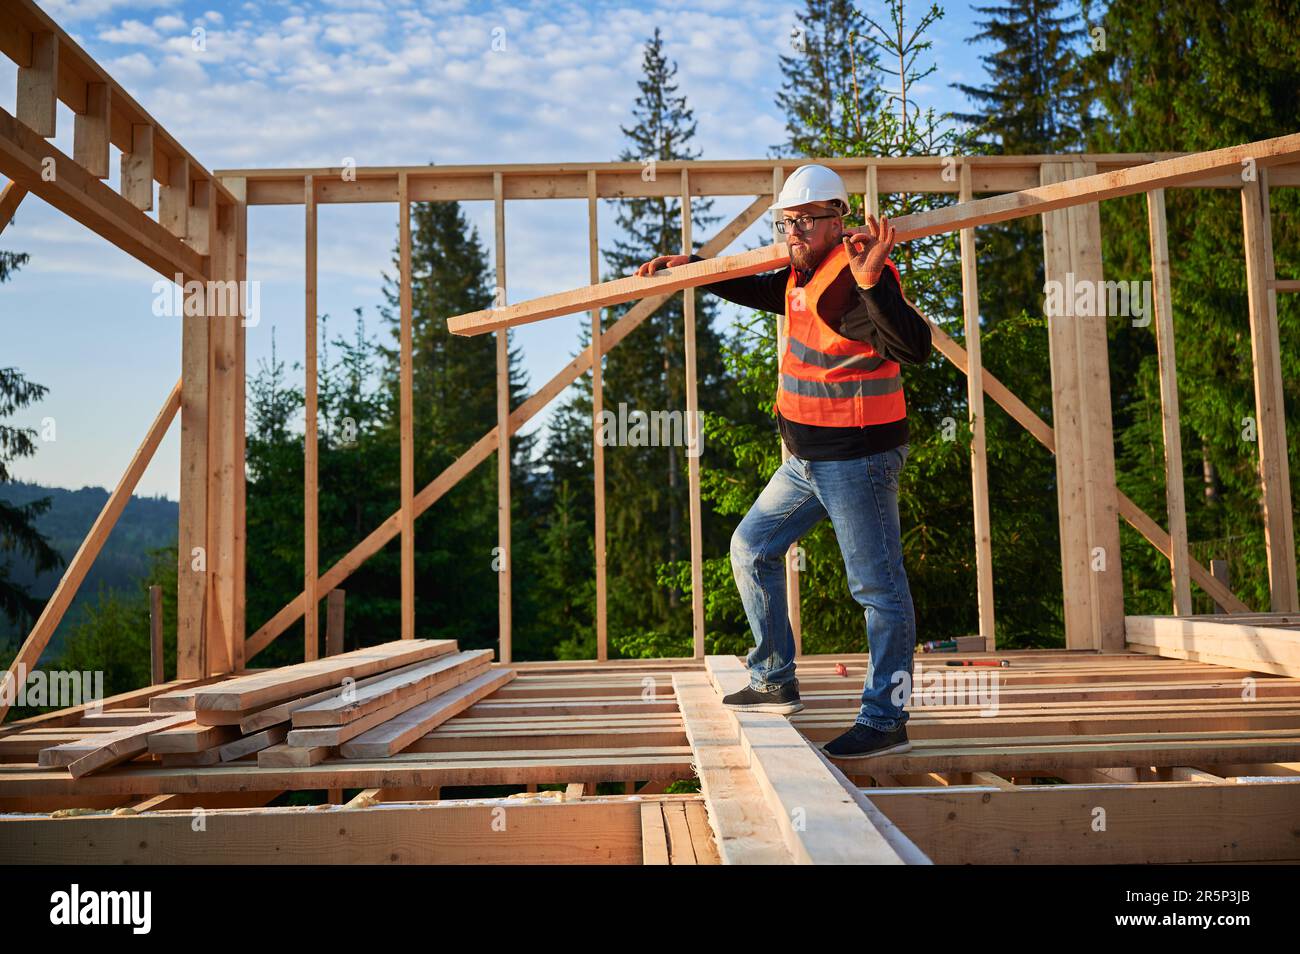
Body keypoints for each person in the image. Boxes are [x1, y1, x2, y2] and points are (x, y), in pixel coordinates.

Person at [635, 164, 931, 758]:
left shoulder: (852, 279)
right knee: (752, 548)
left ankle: (885, 717)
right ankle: (775, 679)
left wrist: (874, 285)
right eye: (785, 221)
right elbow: (762, 290)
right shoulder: (805, 273)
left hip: (857, 460)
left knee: (878, 589)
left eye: (804, 221)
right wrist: (690, 268)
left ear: (835, 221)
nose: (792, 230)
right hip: (806, 461)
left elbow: (913, 347)